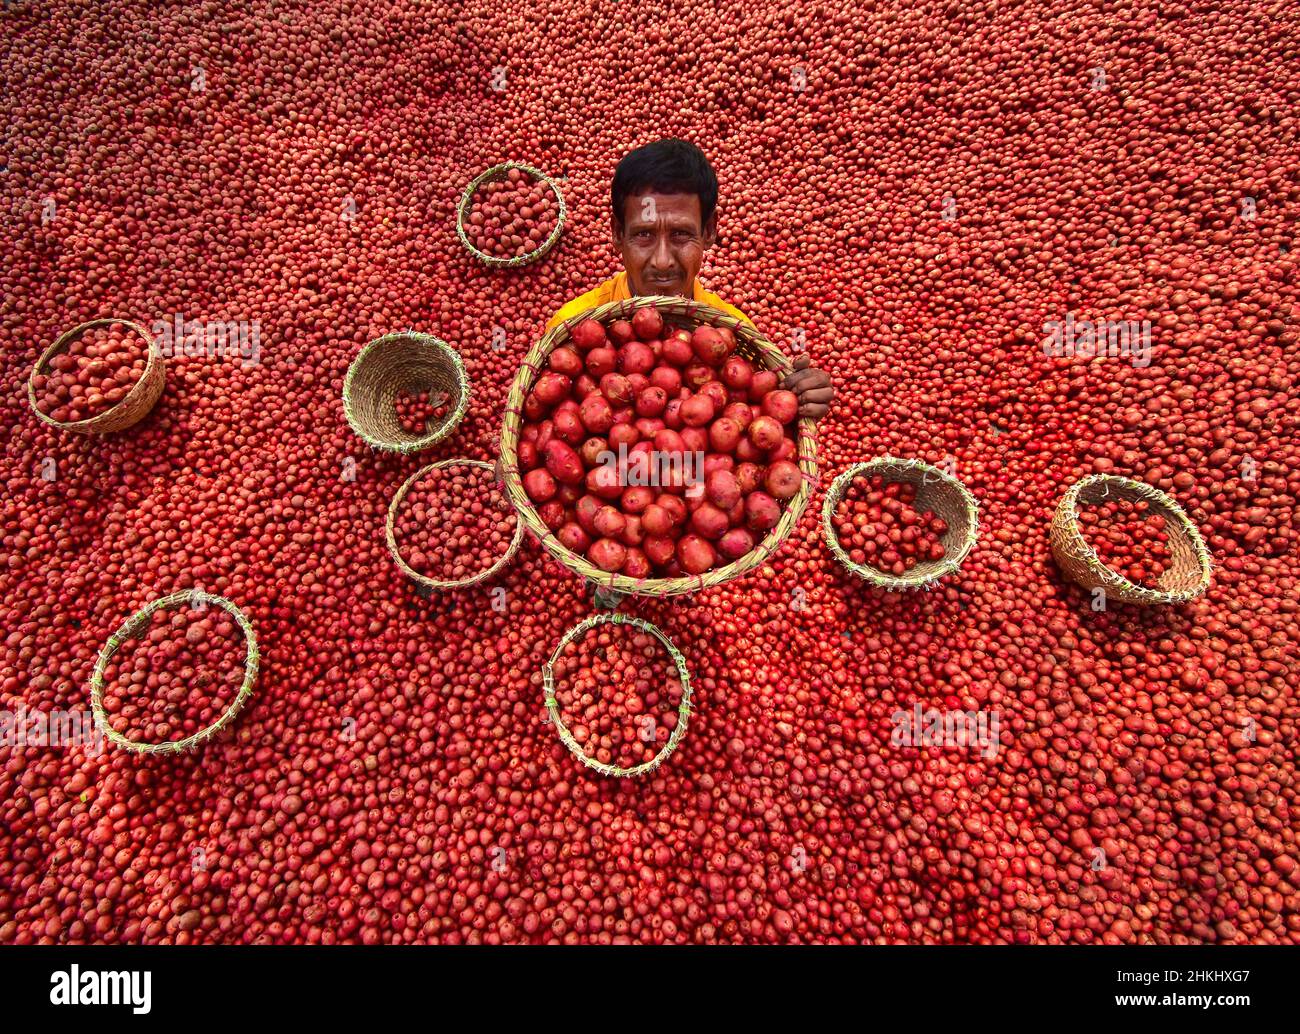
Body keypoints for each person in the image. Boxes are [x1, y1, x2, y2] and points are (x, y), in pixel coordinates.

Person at [545, 138, 834, 421]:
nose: (662, 261)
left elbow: (761, 412)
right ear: (618, 234)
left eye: (680, 234)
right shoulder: (572, 327)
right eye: (644, 234)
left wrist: (796, 399)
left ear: (709, 231)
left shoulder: (733, 336)